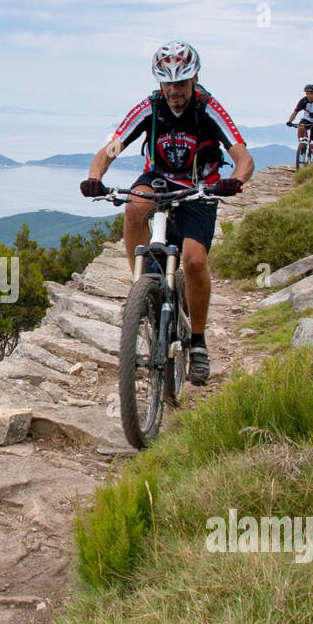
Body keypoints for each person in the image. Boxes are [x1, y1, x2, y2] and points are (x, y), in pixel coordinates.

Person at [78, 39, 254, 386]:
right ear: (159, 82)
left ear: (195, 79)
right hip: (158, 179)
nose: (175, 91)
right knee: (132, 208)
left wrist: (234, 181)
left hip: (200, 186)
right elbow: (110, 149)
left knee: (194, 260)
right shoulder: (151, 107)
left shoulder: (208, 108)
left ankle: (199, 344)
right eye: (168, 83)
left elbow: (243, 157)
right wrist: (94, 179)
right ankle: (141, 288)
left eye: (182, 82)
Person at [286, 84, 313, 163]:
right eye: (307, 93)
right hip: (306, 120)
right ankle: (302, 145)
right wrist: (289, 121)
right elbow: (295, 112)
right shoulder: (303, 100)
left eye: (311, 93)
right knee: (300, 127)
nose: (309, 95)